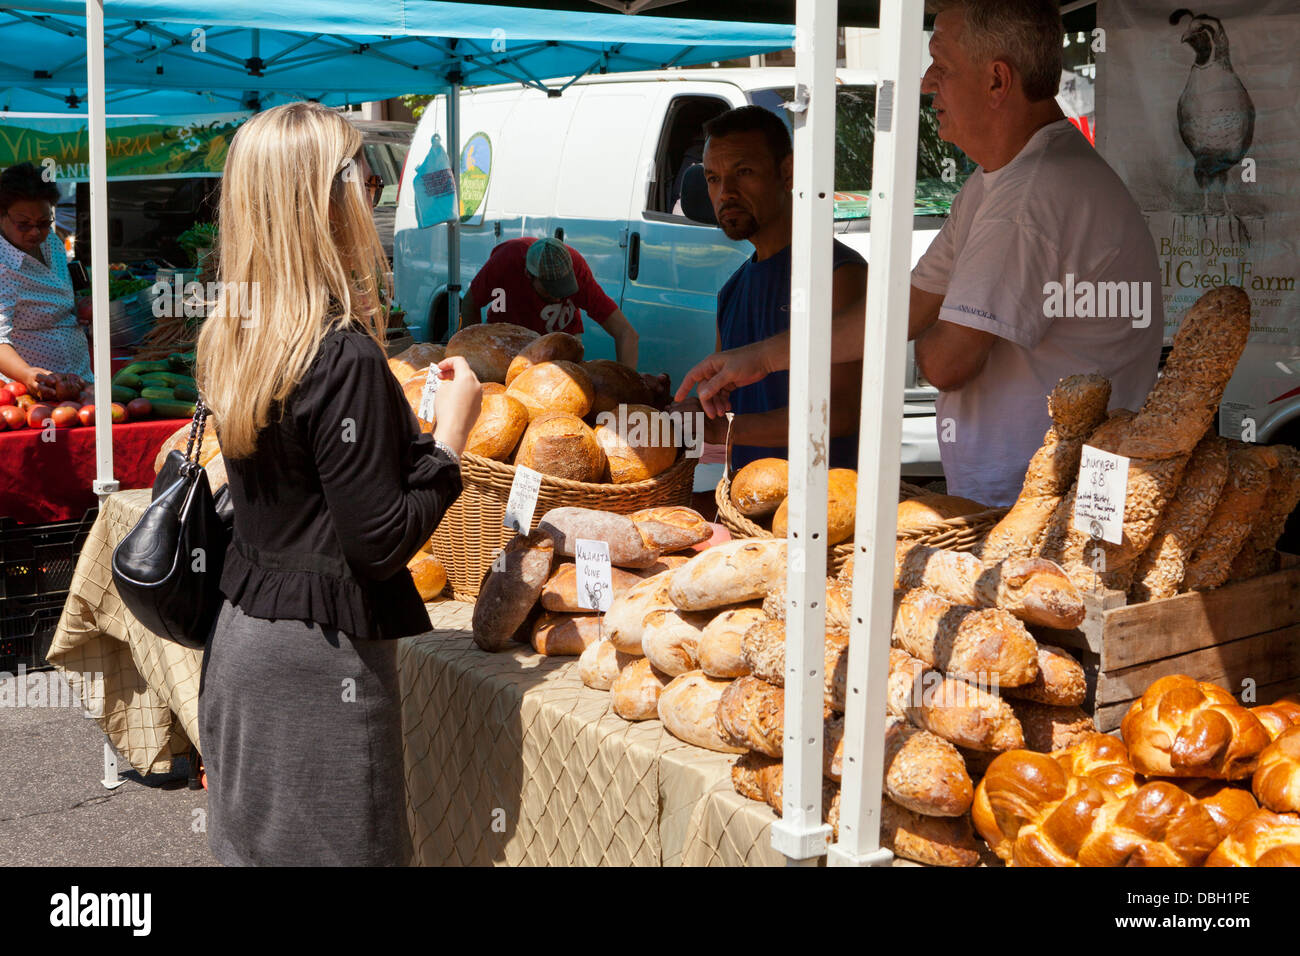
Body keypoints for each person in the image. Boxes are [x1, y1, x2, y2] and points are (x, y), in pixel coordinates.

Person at [677, 0, 1162, 507]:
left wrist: (938, 324)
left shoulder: (1030, 196)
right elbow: (904, 306)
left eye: (942, 66)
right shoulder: (998, 181)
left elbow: (944, 362)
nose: (928, 83)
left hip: (1049, 503)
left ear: (997, 81)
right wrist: (760, 358)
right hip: (1024, 498)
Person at [195, 101, 482, 867]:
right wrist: (449, 439)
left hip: (242, 642)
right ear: (324, 198)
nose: (375, 189)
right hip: (320, 666)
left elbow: (309, 485)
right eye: (360, 172)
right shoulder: (341, 355)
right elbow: (380, 541)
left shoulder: (238, 333)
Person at [671, 105, 866, 471]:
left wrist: (730, 430)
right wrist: (702, 415)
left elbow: (841, 412)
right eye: (713, 178)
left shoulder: (840, 273)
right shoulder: (730, 291)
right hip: (746, 510)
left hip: (827, 513)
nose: (725, 192)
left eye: (743, 172)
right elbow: (724, 408)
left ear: (788, 173)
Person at [462, 236, 639, 367]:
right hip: (508, 342)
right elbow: (470, 302)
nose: (558, 298)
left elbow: (626, 333)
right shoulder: (505, 262)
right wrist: (473, 357)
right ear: (529, 275)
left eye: (564, 290)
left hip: (561, 343)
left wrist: (627, 399)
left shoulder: (578, 270)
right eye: (551, 290)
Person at [0, 162, 93, 397]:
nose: (34, 232)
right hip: (32, 389)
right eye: (24, 225)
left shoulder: (51, 242)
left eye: (43, 223)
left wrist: (79, 307)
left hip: (80, 379)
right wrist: (27, 374)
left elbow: (61, 298)